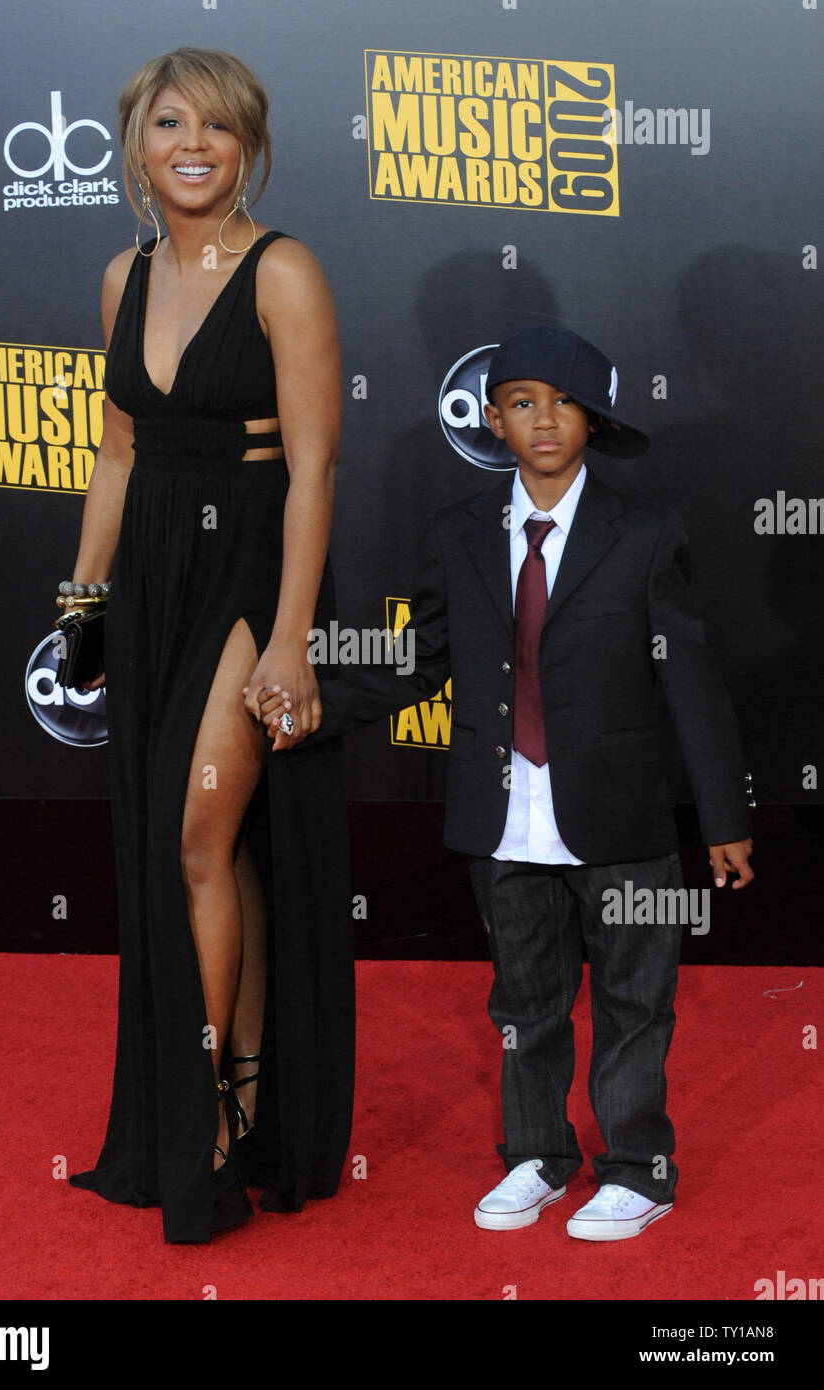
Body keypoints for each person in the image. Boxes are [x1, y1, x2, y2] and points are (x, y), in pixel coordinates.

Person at [254, 325, 754, 1242]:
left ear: (594, 421)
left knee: (635, 999)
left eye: (566, 403)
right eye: (524, 402)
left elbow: (691, 679)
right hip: (502, 816)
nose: (546, 420)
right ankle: (539, 1153)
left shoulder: (645, 532)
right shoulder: (459, 533)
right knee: (525, 999)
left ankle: (638, 1169)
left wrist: (724, 816)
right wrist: (320, 700)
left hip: (626, 819)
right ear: (493, 419)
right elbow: (424, 658)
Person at [62, 47, 354, 1243]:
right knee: (205, 848)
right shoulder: (118, 278)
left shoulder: (285, 272)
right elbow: (119, 454)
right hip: (152, 582)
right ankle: (214, 1090)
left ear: (249, 145)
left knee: (199, 830)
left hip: (244, 574)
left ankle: (226, 1109)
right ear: (135, 144)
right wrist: (83, 602)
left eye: (218, 128)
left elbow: (313, 465)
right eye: (169, 123)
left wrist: (291, 639)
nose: (194, 144)